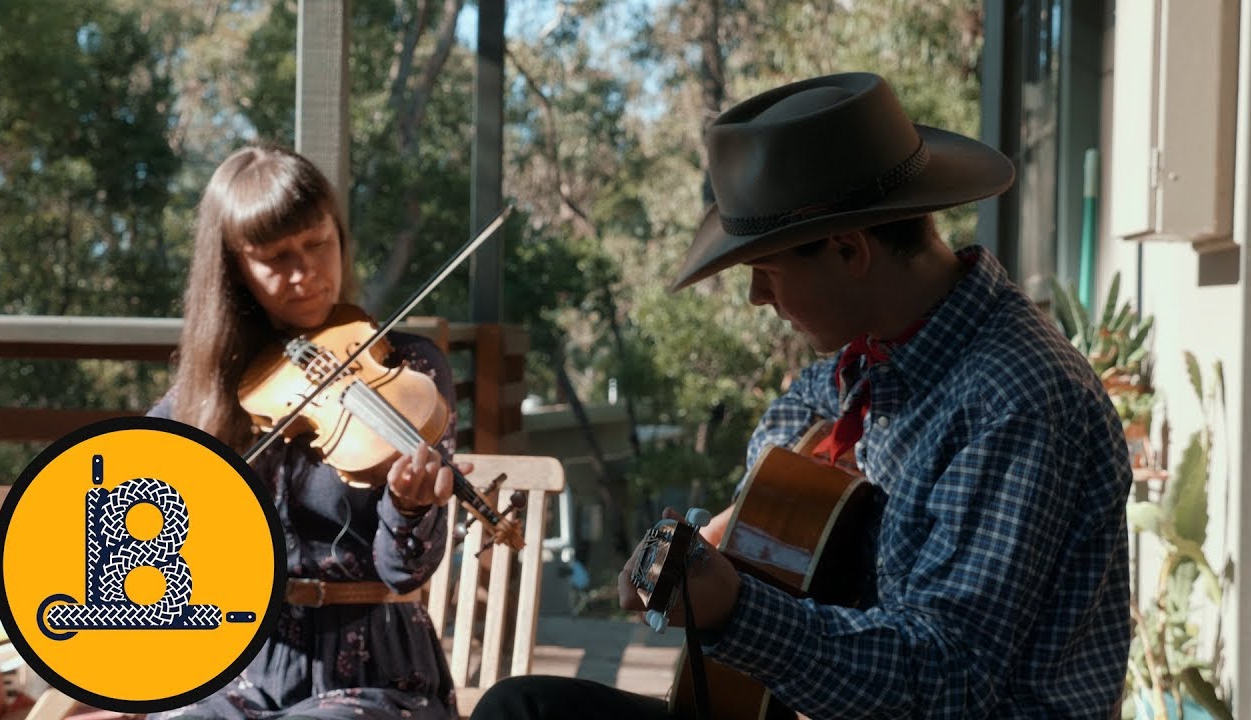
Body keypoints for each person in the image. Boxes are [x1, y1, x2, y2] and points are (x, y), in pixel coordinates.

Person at [471, 72, 1132, 719]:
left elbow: (947, 683)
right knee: (522, 707)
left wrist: (735, 609)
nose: (758, 297)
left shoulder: (1016, 400)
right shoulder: (859, 364)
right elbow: (779, 477)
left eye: (766, 270)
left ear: (849, 249)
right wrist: (712, 543)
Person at [147, 142, 465, 720]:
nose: (306, 274)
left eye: (318, 243)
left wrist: (410, 509)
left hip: (379, 674)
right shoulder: (209, 391)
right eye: (275, 257)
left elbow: (405, 572)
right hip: (237, 673)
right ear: (236, 269)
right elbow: (136, 485)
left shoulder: (408, 370)